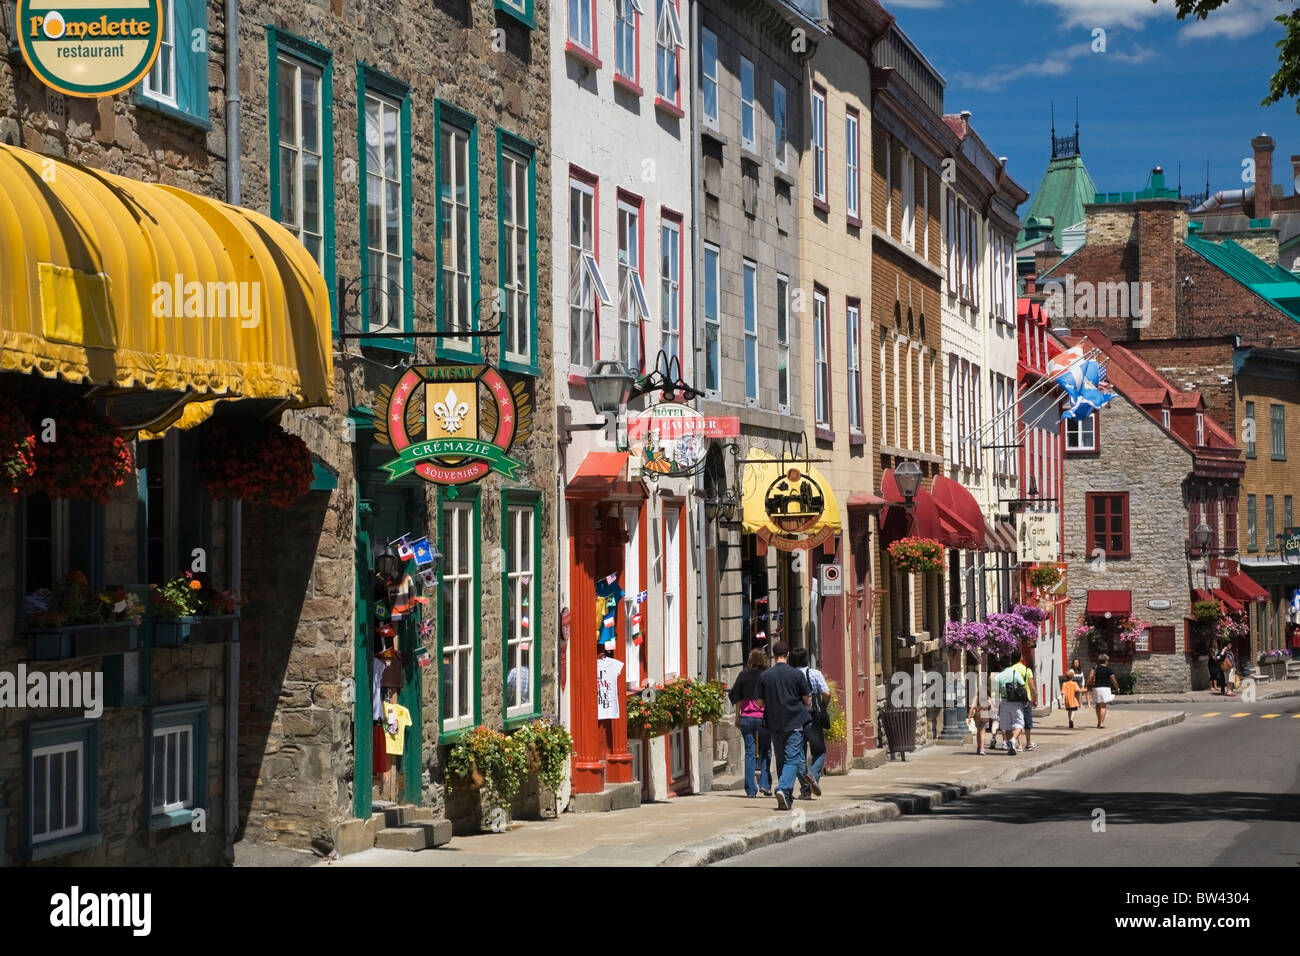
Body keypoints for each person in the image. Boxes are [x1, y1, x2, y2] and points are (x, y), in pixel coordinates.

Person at [757, 640, 812, 810]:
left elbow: (759, 703)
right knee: (793, 759)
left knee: (781, 760)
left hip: (774, 723)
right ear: (787, 655)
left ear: (773, 656)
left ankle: (786, 797)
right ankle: (782, 788)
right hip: (794, 722)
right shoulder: (797, 675)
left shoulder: (765, 676)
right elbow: (807, 699)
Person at [728, 649, 773, 798]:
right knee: (766, 750)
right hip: (764, 716)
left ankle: (750, 789)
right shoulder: (767, 675)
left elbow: (736, 696)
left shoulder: (743, 675)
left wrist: (737, 716)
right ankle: (765, 785)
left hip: (746, 716)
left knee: (749, 752)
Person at [788, 646, 827, 798]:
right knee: (819, 751)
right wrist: (822, 706)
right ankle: (812, 775)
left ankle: (805, 790)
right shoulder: (815, 673)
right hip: (812, 718)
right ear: (806, 659)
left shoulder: (789, 676)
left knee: (798, 755)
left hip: (795, 720)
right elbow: (826, 693)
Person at [995, 657, 1029, 754]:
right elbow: (1023, 685)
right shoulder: (1015, 673)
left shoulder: (998, 676)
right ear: (1009, 663)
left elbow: (995, 692)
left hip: (1004, 701)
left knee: (1007, 725)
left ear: (1001, 665)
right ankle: (1013, 740)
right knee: (1020, 723)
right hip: (1015, 701)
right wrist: (1025, 699)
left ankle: (1011, 747)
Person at [1011, 650, 1037, 751]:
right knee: (1027, 721)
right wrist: (1035, 698)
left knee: (1017, 721)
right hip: (1026, 699)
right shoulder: (1027, 670)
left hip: (1014, 699)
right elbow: (1032, 686)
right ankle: (1028, 742)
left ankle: (1019, 744)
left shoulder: (1011, 670)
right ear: (1021, 658)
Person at [968, 662, 995, 755]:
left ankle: (979, 747)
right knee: (983, 732)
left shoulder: (977, 697)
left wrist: (969, 717)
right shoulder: (988, 698)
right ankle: (982, 748)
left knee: (979, 732)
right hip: (985, 715)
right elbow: (992, 707)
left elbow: (972, 707)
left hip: (977, 715)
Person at [1088, 653, 1120, 727]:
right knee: (1103, 706)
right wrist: (1117, 688)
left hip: (1096, 688)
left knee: (1098, 705)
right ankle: (1102, 723)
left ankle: (1099, 721)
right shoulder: (1109, 669)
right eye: (1107, 660)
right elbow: (1114, 680)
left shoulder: (1095, 668)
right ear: (1106, 661)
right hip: (1105, 688)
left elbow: (1090, 677)